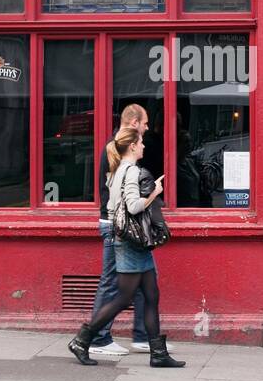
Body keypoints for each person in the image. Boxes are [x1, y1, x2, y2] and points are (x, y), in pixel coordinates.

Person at [69, 127, 185, 368]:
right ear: (132, 146)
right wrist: (154, 193)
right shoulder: (131, 172)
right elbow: (133, 207)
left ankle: (158, 353)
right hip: (130, 242)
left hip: (131, 242)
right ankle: (83, 339)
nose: (144, 146)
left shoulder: (116, 171)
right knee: (123, 298)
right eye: (141, 142)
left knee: (151, 294)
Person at [90, 104, 149, 356]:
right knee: (112, 283)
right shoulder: (117, 148)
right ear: (134, 122)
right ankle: (97, 339)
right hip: (117, 226)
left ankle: (144, 336)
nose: (147, 127)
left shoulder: (117, 146)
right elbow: (117, 192)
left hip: (120, 225)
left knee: (141, 280)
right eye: (145, 123)